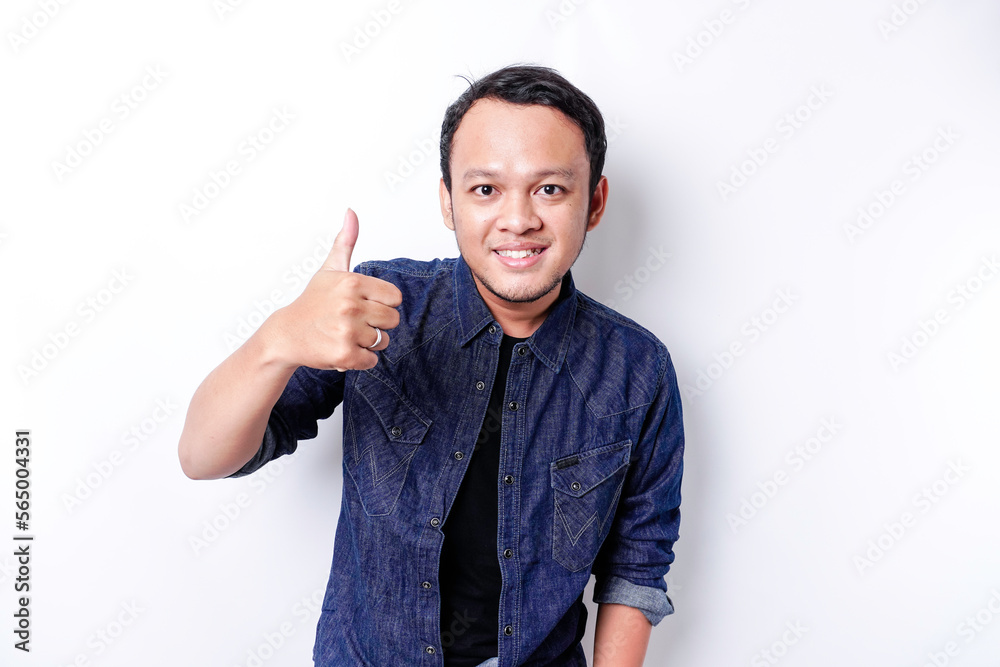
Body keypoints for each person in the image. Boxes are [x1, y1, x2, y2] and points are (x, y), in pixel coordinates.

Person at [179, 64, 684, 667]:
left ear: (594, 201)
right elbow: (202, 458)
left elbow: (636, 563)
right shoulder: (379, 306)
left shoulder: (637, 369)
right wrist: (276, 341)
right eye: (485, 189)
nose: (517, 219)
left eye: (550, 188)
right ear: (448, 201)